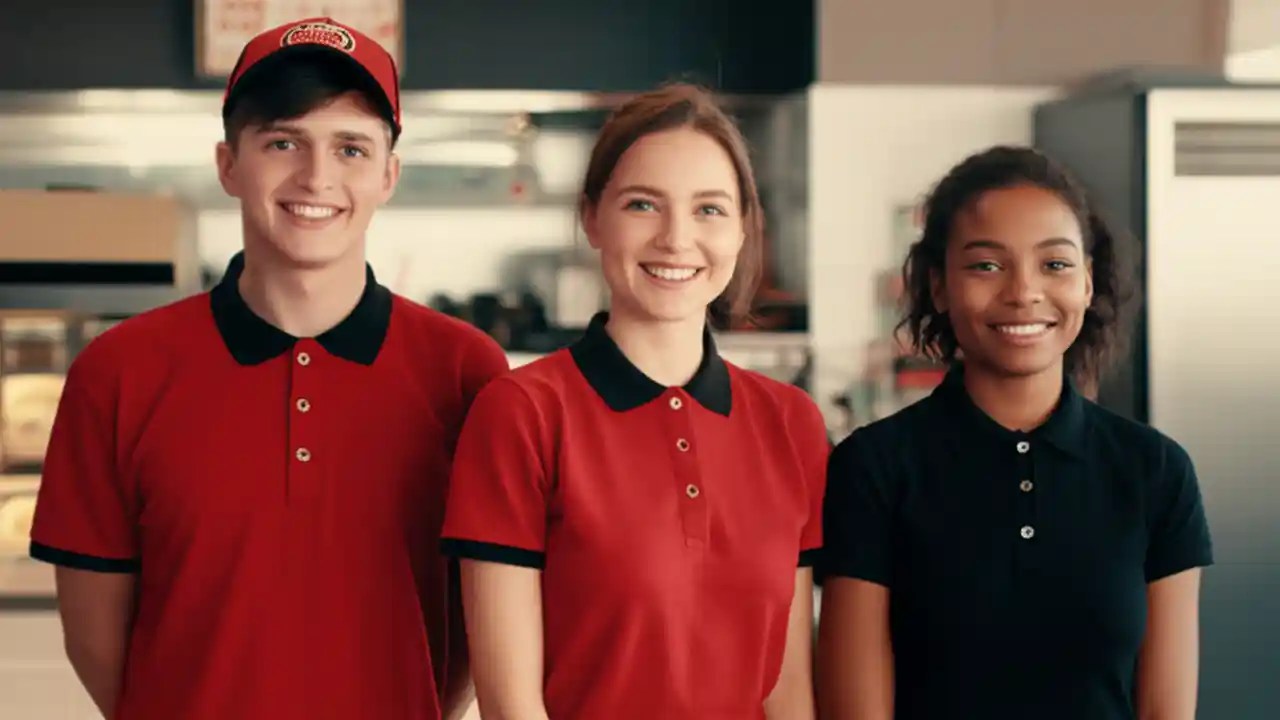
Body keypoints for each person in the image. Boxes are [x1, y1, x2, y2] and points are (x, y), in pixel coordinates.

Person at [28, 17, 507, 720]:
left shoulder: (468, 371)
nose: (317, 177)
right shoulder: (118, 371)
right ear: (229, 164)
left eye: (350, 148)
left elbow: (479, 630)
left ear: (388, 174)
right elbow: (95, 638)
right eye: (283, 141)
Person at [438, 83, 829, 720]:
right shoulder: (522, 412)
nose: (676, 239)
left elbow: (786, 692)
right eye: (643, 204)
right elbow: (512, 705)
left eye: (709, 209)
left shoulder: (790, 422)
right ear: (593, 217)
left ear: (743, 229)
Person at [816, 145, 1214, 720]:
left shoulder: (1155, 471)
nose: (1023, 292)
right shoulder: (874, 467)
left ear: (1087, 282)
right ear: (937, 285)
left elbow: (1166, 712)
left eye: (1054, 264)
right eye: (986, 265)